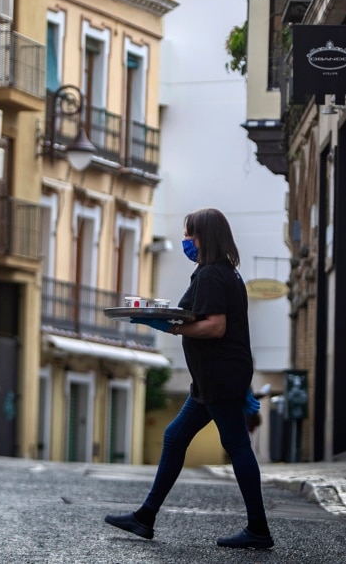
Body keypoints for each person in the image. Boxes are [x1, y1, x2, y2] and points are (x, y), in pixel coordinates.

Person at [105, 208, 274, 550]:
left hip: (220, 375)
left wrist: (170, 326)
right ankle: (145, 516)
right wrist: (165, 319)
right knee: (175, 436)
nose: (186, 240)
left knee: (237, 444)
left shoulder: (212, 274)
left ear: (204, 237)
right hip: (216, 377)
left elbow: (215, 326)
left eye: (190, 234)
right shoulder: (221, 272)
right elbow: (191, 314)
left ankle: (258, 528)